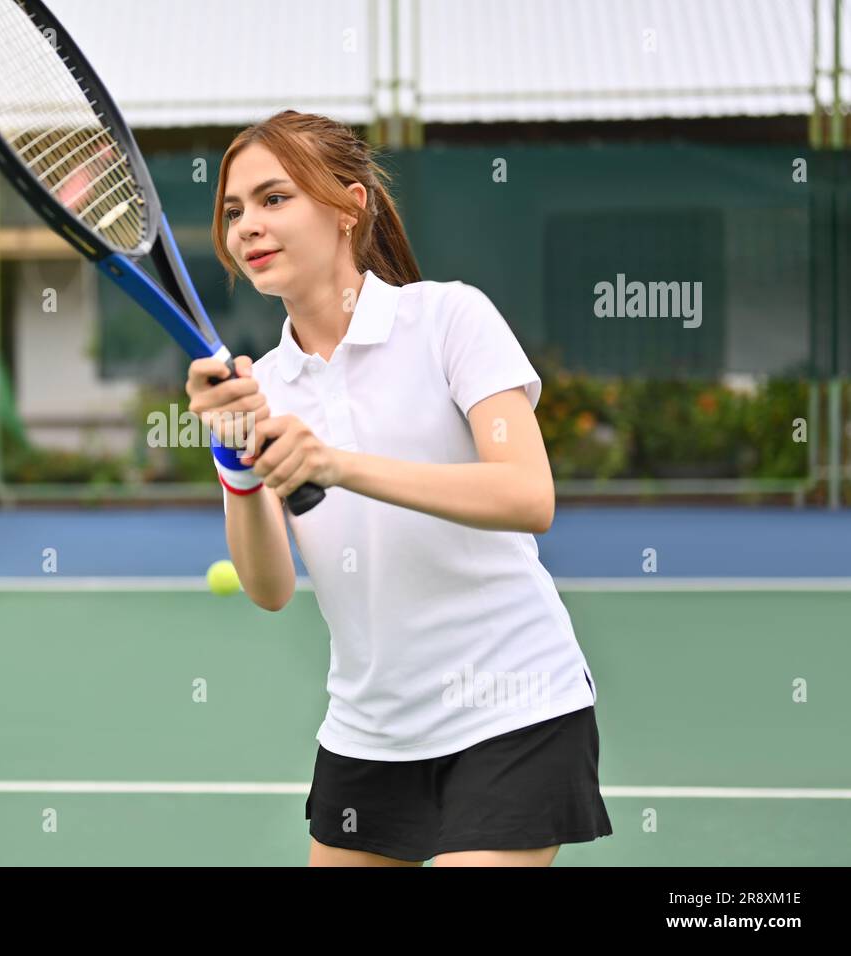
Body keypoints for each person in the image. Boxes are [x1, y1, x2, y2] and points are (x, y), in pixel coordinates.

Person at [185, 110, 612, 867]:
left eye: (275, 198)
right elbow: (270, 589)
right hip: (370, 730)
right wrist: (236, 461)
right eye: (234, 210)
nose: (248, 224)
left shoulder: (449, 318)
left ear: (350, 206)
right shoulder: (263, 387)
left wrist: (338, 464)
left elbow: (527, 495)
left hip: (516, 707)